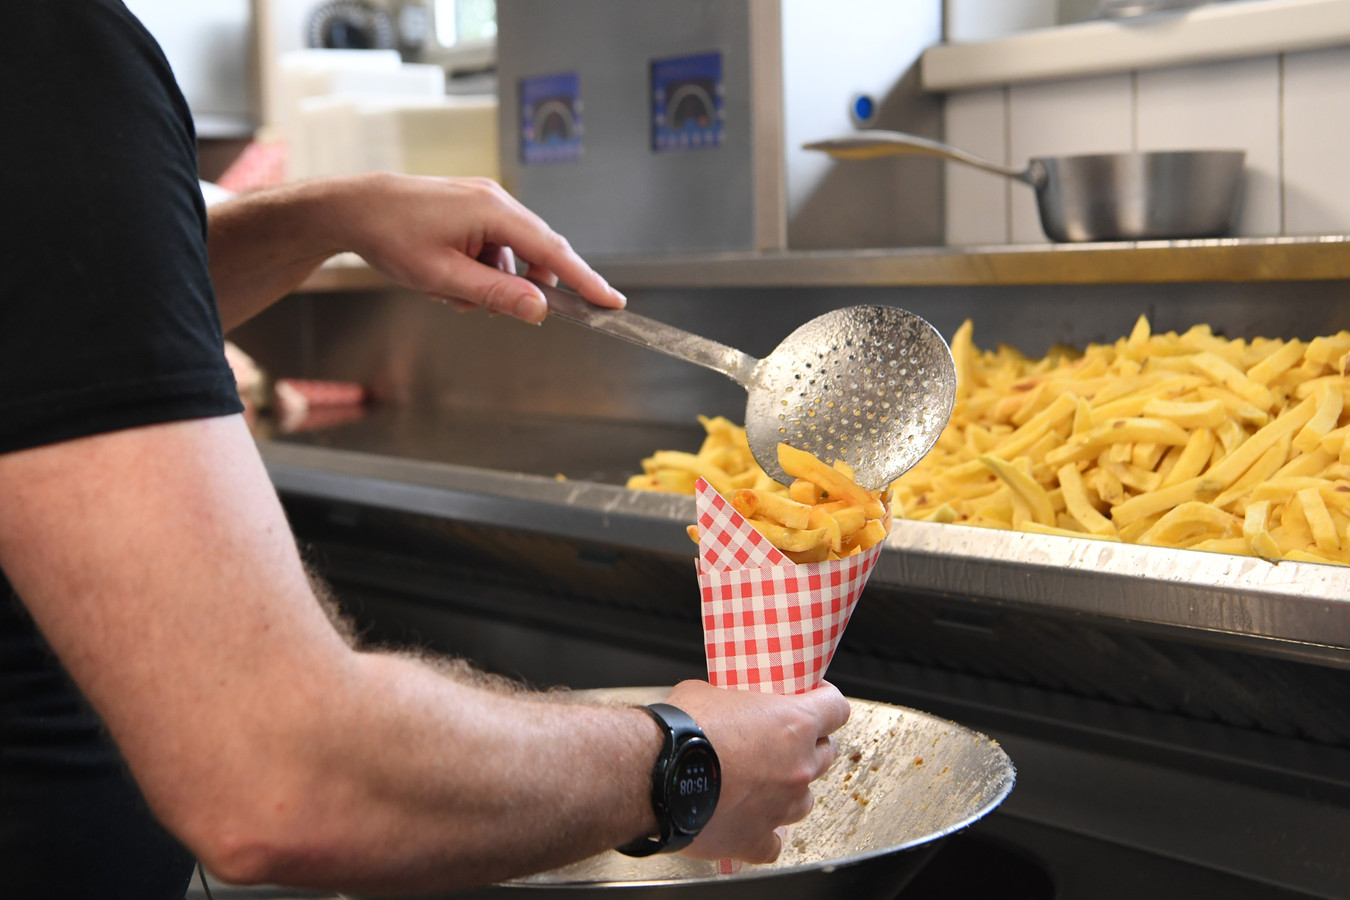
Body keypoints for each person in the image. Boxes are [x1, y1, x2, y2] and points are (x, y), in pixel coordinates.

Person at [0, 3, 850, 898]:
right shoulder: (48, 53)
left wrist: (326, 217)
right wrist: (684, 759)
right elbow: (289, 778)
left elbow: (54, 322)